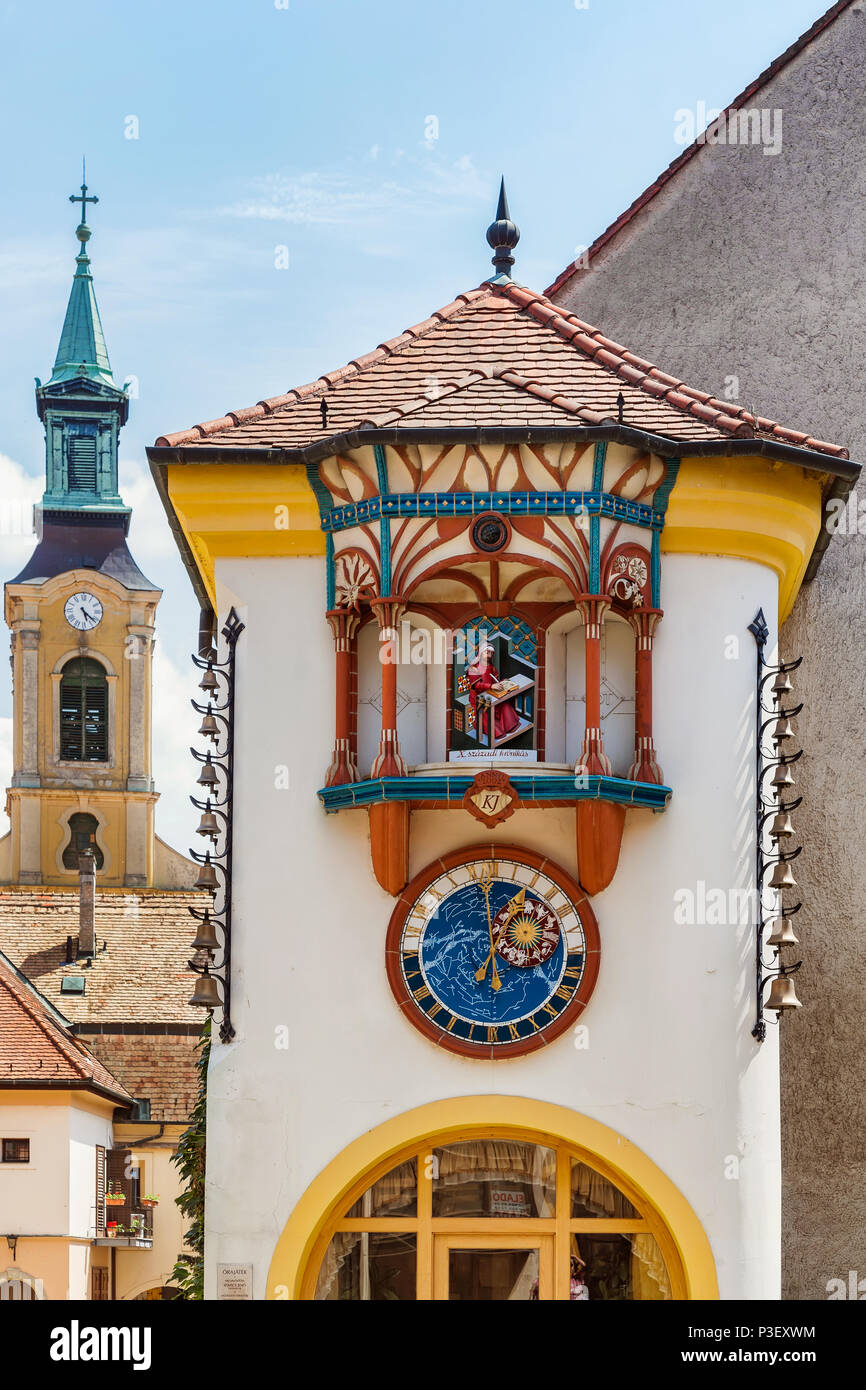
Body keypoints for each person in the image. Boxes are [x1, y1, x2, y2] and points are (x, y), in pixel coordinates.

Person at [465, 643, 521, 743]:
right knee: (487, 713)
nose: (489, 655)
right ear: (481, 653)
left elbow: (494, 679)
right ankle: (493, 730)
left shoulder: (491, 666)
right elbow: (476, 686)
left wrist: (502, 683)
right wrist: (490, 686)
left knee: (504, 706)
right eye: (487, 652)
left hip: (491, 693)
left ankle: (510, 726)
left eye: (491, 653)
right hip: (478, 698)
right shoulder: (473, 669)